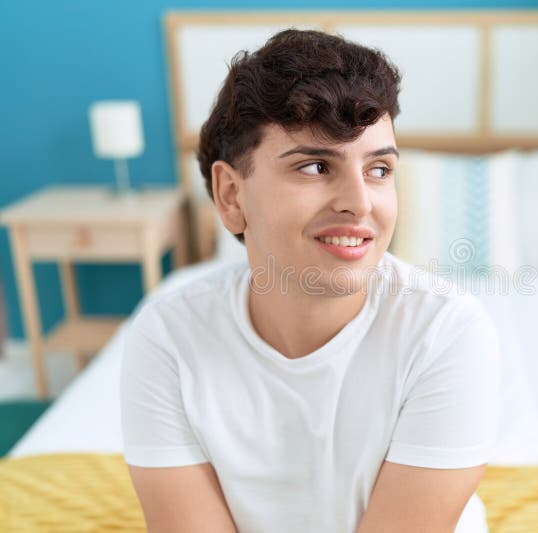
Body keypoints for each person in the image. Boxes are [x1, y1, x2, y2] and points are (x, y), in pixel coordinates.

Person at [120, 28, 500, 533]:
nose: (360, 203)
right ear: (232, 195)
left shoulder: (446, 332)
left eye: (380, 170)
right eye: (317, 166)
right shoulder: (168, 337)